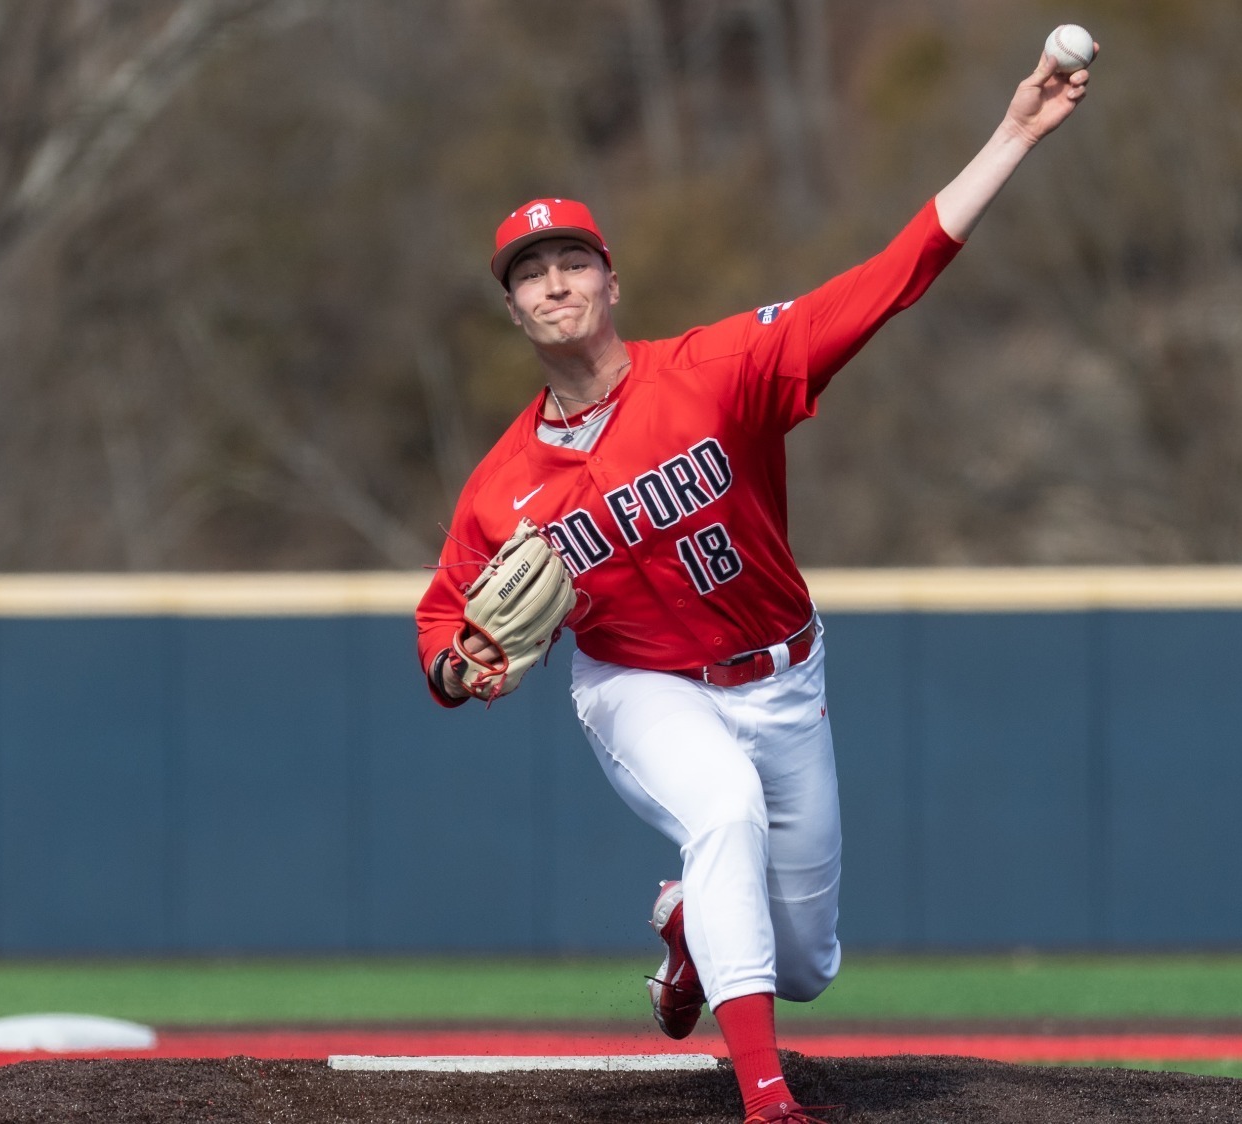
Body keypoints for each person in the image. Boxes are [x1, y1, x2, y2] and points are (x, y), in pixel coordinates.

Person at [415, 43, 1093, 1124]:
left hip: (781, 677)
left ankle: (694, 935)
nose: (552, 282)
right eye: (528, 273)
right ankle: (766, 1098)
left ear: (609, 281)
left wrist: (1012, 134)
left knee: (807, 962)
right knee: (719, 806)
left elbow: (887, 280)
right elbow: (442, 621)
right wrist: (457, 668)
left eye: (570, 261)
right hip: (637, 682)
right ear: (514, 309)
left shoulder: (716, 371)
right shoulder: (501, 485)